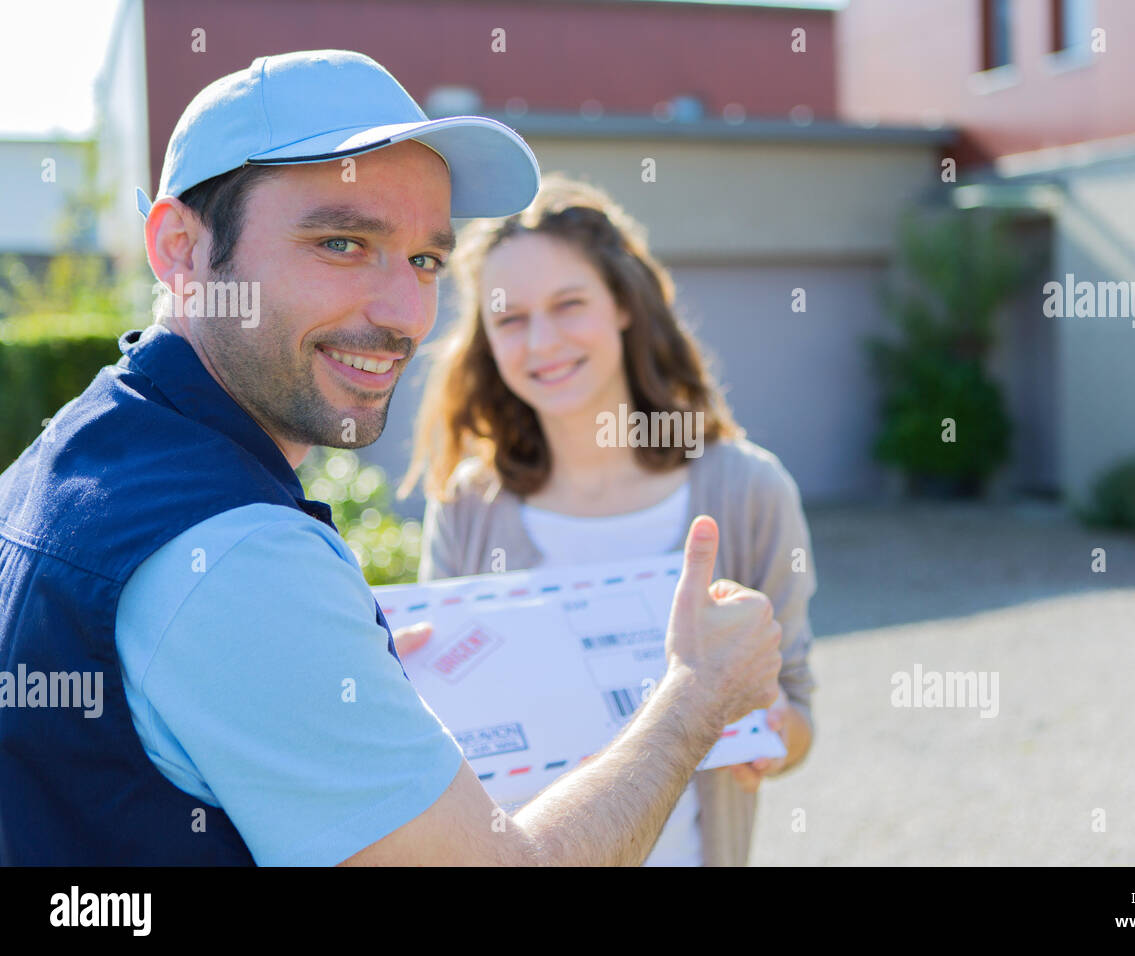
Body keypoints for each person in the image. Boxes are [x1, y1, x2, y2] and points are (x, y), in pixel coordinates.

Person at [0, 50, 782, 866]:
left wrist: (342, 672)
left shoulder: (66, 455)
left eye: (425, 261)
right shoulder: (238, 556)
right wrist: (695, 696)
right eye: (341, 242)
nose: (405, 313)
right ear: (180, 250)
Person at [396, 174, 817, 867]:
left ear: (622, 304)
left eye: (569, 304)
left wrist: (765, 728)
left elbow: (796, 709)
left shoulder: (746, 489)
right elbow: (444, 741)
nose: (543, 341)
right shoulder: (470, 505)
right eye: (509, 318)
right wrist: (406, 686)